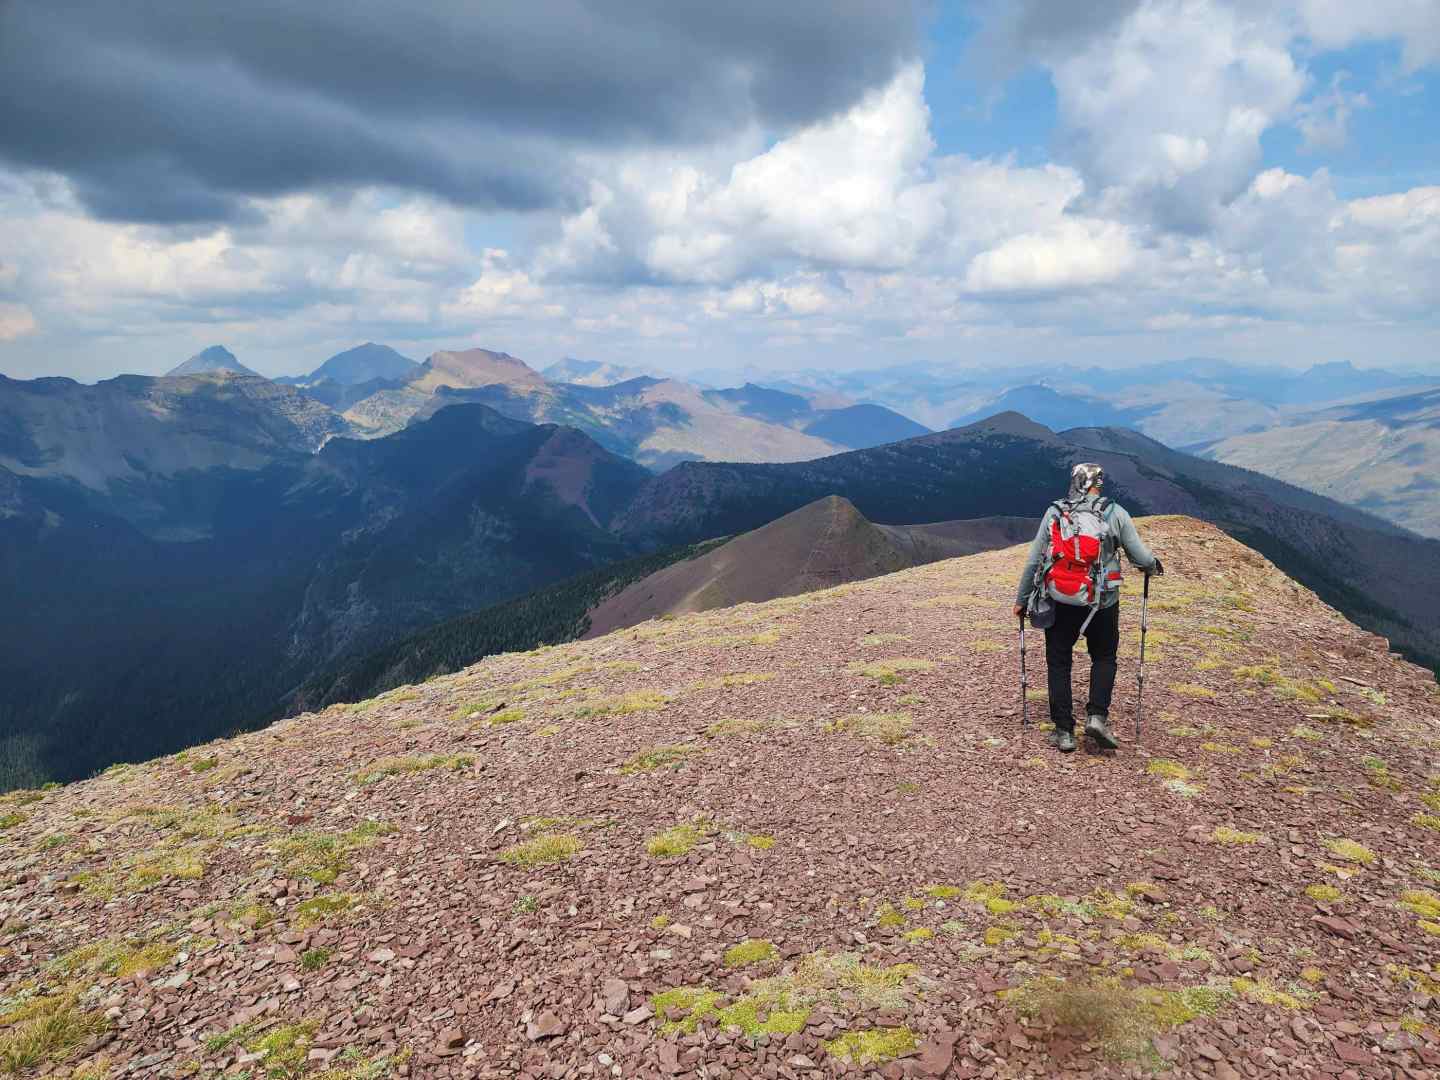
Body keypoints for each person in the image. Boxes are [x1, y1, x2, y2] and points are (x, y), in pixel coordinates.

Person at [1012, 463, 1162, 752]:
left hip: (1060, 596)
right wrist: (1153, 567)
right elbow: (1140, 557)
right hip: (1102, 600)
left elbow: (1034, 559)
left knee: (1059, 661)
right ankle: (1096, 717)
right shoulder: (1114, 512)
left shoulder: (1056, 512)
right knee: (1104, 657)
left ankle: (1064, 731)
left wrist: (1022, 599)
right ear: (1099, 483)